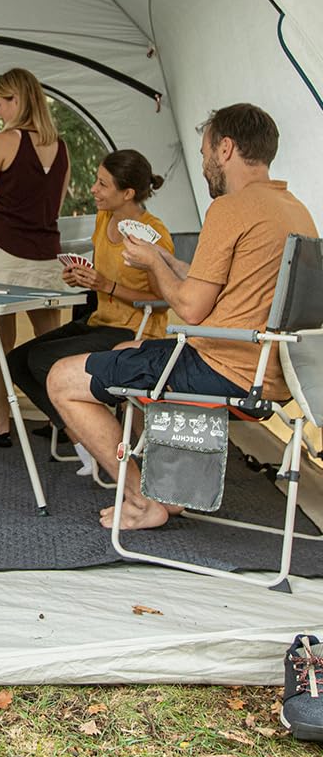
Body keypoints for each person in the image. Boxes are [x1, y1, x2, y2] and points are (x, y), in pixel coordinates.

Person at [48, 103, 317, 530]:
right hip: (271, 372)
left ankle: (145, 498)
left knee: (61, 379)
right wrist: (162, 258)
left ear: (225, 148)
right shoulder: (294, 209)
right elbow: (218, 284)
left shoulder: (231, 208)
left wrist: (153, 266)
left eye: (206, 149)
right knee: (126, 349)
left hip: (220, 368)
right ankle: (166, 483)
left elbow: (191, 308)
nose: (205, 160)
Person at [7, 150, 173, 473]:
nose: (93, 189)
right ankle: (84, 438)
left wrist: (106, 285)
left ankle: (97, 434)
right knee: (16, 361)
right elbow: (104, 276)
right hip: (101, 321)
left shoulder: (153, 233)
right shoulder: (104, 218)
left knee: (43, 360)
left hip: (135, 331)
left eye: (102, 184)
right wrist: (80, 277)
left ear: (127, 194)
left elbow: (164, 299)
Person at [0, 68, 69, 447]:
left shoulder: (5, 141)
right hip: (46, 255)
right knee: (52, 344)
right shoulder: (61, 146)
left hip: (3, 252)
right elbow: (54, 207)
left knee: (0, 343)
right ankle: (64, 421)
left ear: (17, 100)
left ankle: (1, 426)